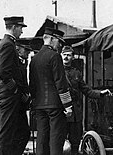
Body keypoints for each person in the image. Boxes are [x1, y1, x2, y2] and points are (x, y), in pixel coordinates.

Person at [61, 45, 112, 155]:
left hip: (75, 113)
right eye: (64, 55)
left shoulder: (77, 73)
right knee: (59, 141)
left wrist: (101, 93)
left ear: (72, 58)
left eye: (68, 55)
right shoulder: (57, 71)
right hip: (62, 111)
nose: (66, 57)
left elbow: (87, 91)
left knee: (75, 141)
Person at [29, 27, 72, 155]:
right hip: (54, 106)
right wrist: (68, 106)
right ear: (52, 39)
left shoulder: (34, 59)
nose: (60, 45)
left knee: (41, 138)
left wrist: (34, 101)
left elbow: (32, 85)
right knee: (55, 139)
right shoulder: (55, 56)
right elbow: (60, 82)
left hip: (39, 106)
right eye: (59, 42)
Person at [0, 16, 30, 155]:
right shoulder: (8, 44)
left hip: (12, 96)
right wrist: (16, 90)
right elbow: (3, 72)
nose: (21, 31)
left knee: (22, 132)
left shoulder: (7, 43)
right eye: (20, 28)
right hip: (9, 96)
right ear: (14, 27)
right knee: (7, 134)